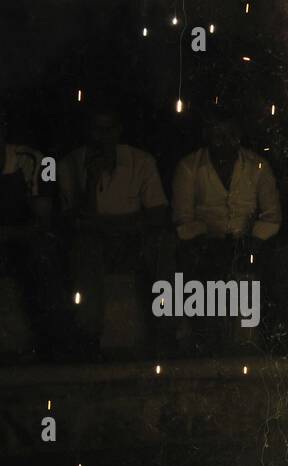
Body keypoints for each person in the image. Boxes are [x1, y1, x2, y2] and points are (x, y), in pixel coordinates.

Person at [172, 110, 288, 352]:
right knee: (193, 262)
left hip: (250, 241)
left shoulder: (258, 166)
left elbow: (271, 215)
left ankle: (276, 333)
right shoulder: (189, 167)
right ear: (207, 136)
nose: (225, 141)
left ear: (239, 136)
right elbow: (183, 219)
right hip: (206, 241)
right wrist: (205, 238)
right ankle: (201, 339)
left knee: (283, 256)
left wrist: (254, 242)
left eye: (231, 135)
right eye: (218, 135)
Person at [60, 108, 171, 356]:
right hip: (98, 240)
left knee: (162, 246)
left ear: (118, 131)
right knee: (86, 249)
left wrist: (106, 224)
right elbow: (79, 221)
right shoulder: (70, 164)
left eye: (108, 129)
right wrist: (91, 180)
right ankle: (89, 337)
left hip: (133, 238)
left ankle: (165, 332)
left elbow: (157, 214)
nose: (102, 137)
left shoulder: (141, 161)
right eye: (96, 130)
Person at [0, 108, 70, 360]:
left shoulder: (35, 160)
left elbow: (44, 219)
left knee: (43, 256)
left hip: (27, 238)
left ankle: (51, 343)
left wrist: (11, 234)